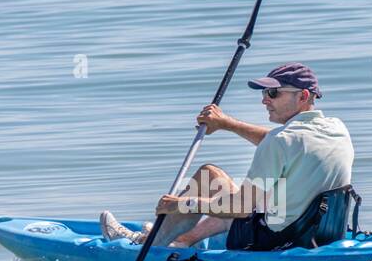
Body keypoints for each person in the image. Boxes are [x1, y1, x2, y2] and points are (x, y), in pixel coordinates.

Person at [99, 63, 355, 250]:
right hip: (320, 233)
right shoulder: (336, 128)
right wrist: (226, 124)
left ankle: (151, 245)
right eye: (264, 93)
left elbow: (240, 209)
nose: (265, 100)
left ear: (303, 96)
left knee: (209, 177)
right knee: (258, 194)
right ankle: (184, 239)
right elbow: (282, 141)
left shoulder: (280, 142)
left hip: (273, 240)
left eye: (274, 93)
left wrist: (181, 204)